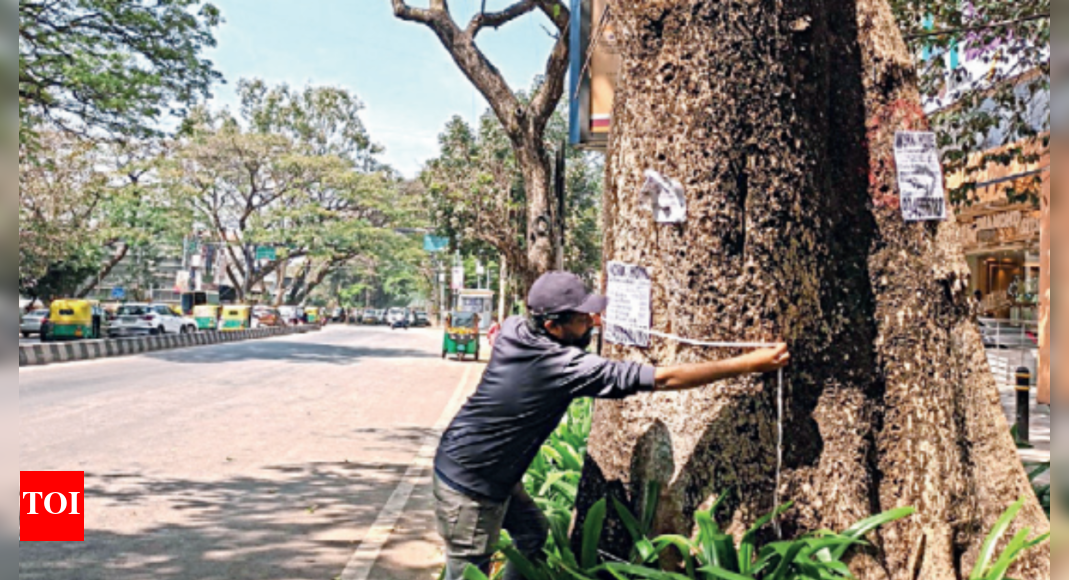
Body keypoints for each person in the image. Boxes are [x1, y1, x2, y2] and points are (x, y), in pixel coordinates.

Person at [433, 272, 791, 579]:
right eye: (582, 318)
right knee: (470, 571)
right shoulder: (564, 367)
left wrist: (583, 320)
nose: (591, 322)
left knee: (533, 536)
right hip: (471, 487)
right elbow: (663, 379)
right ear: (552, 326)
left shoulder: (515, 329)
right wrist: (749, 364)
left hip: (478, 464)